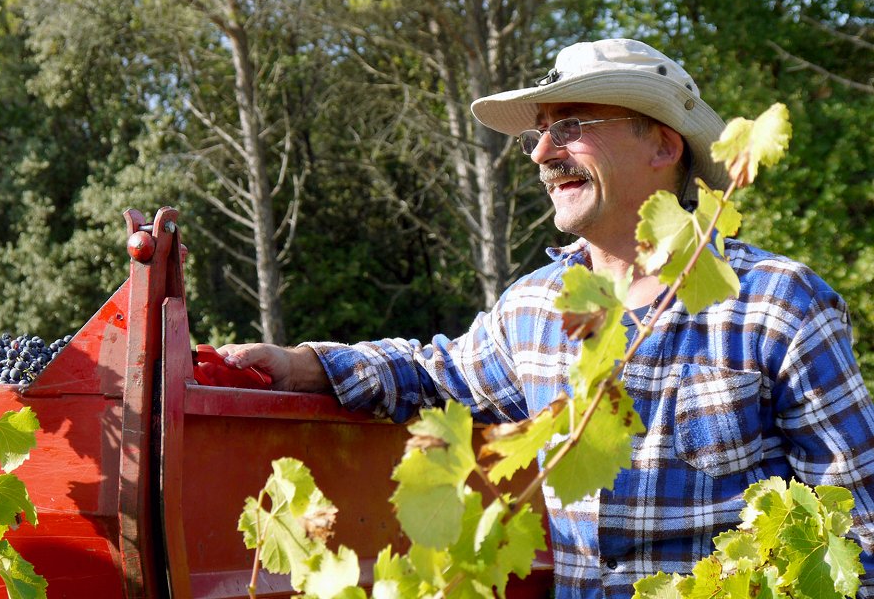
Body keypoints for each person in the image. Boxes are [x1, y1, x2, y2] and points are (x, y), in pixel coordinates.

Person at [218, 39, 874, 598]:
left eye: (570, 126)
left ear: (661, 146)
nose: (540, 155)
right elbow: (434, 372)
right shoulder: (533, 308)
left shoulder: (777, 303)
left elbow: (858, 527)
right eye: (540, 134)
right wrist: (306, 364)